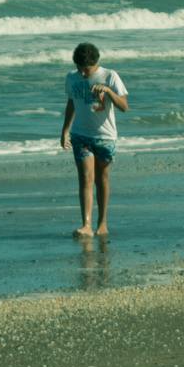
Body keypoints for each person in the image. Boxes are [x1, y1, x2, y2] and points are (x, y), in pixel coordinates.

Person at [60, 41, 129, 239]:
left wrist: (108, 91)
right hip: (80, 135)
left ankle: (102, 223)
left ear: (95, 64)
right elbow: (72, 103)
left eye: (86, 69)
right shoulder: (71, 78)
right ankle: (86, 225)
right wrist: (65, 130)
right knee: (85, 178)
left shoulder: (109, 76)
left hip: (105, 137)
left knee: (102, 179)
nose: (82, 73)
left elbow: (124, 106)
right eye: (79, 68)